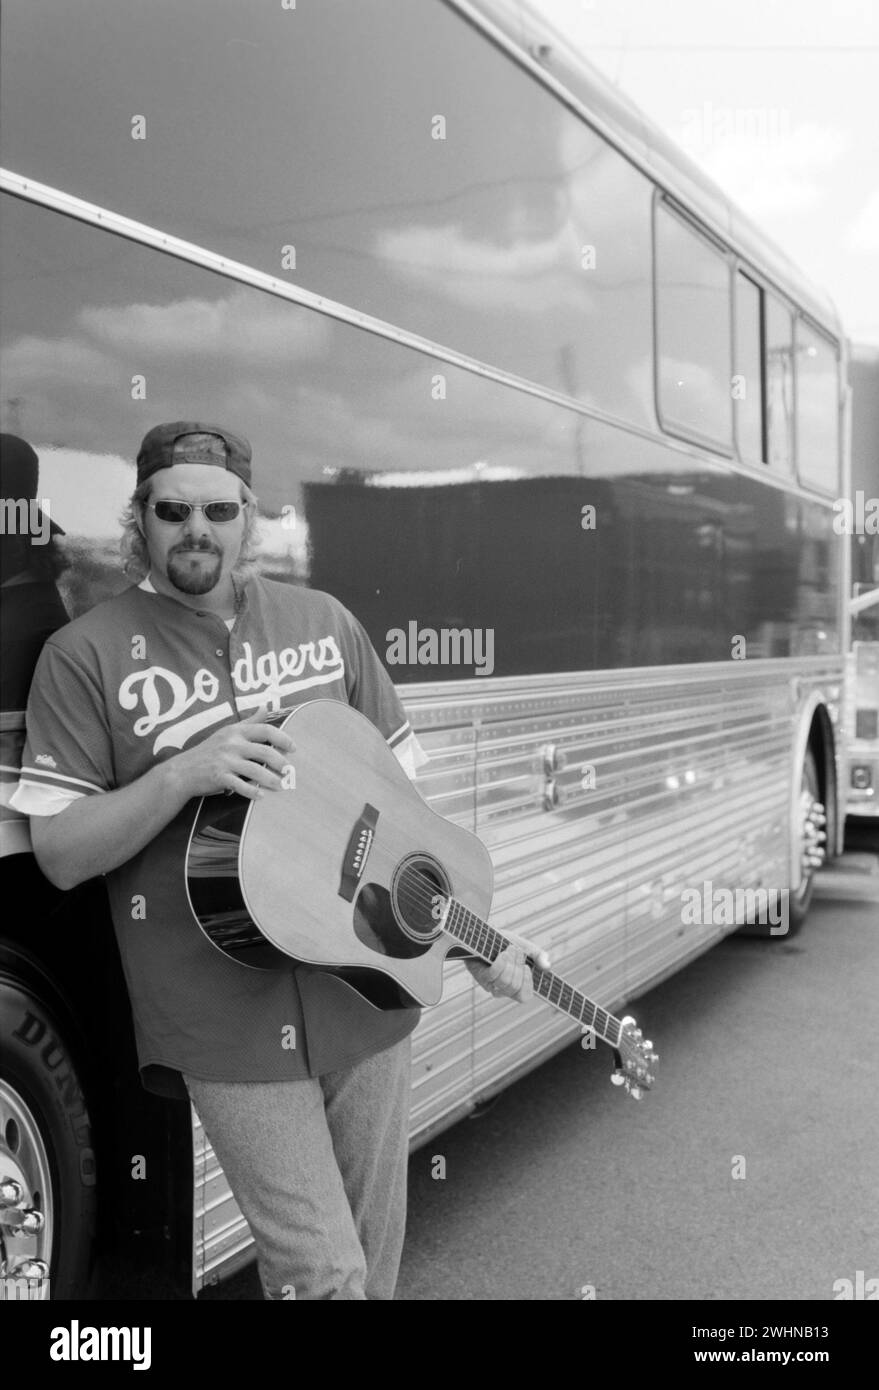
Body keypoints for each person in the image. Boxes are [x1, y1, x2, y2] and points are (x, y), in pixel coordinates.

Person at [10, 421, 548, 1301]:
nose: (197, 529)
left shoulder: (324, 623)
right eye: (172, 508)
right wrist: (184, 772)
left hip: (362, 995)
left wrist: (473, 941)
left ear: (248, 517)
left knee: (370, 1269)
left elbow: (405, 817)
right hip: (217, 1014)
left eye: (219, 509)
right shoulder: (85, 655)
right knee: (321, 1271)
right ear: (138, 517)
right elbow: (64, 855)